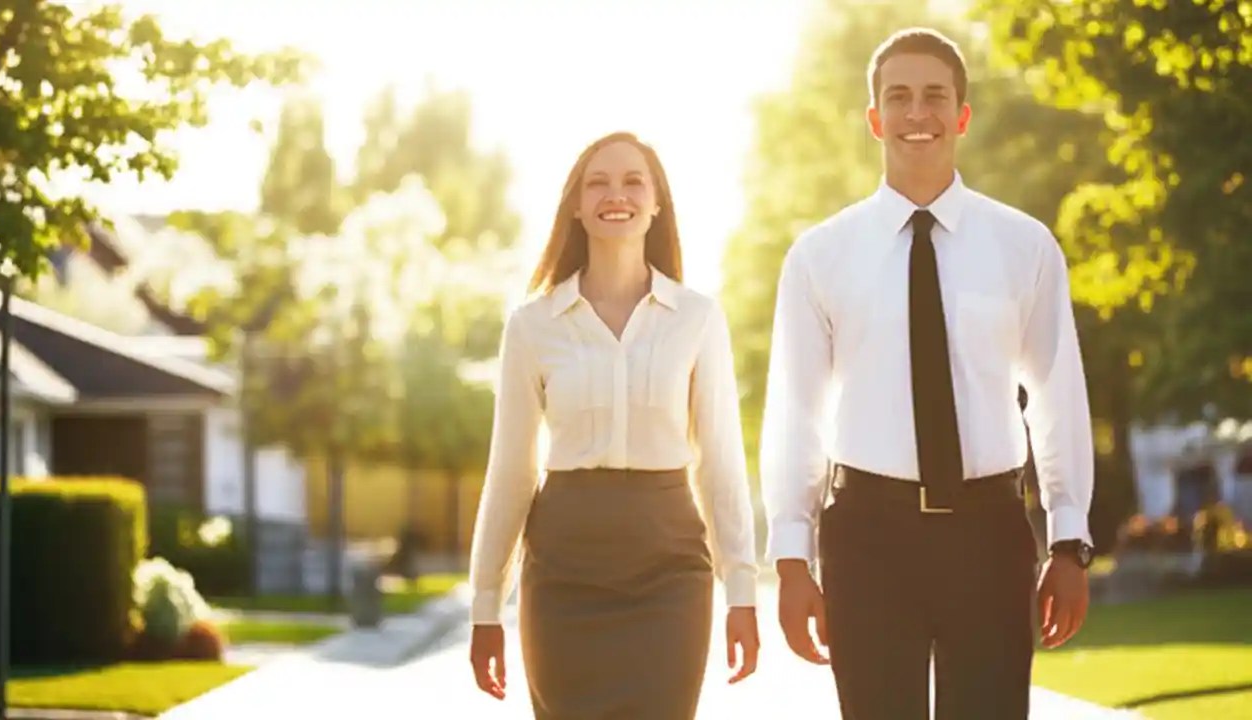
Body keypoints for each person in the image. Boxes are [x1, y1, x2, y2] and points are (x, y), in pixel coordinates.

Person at [760, 28, 1096, 719]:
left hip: (990, 533)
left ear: (962, 115)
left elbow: (1058, 397)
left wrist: (1069, 536)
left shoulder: (1024, 246)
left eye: (935, 97)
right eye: (899, 97)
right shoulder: (819, 256)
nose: (919, 114)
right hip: (866, 538)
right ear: (874, 118)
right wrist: (791, 555)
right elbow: (795, 411)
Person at [466, 131, 760, 719]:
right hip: (563, 569)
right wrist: (484, 604)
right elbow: (511, 470)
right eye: (597, 182)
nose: (615, 195)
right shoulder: (533, 325)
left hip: (669, 569)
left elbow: (721, 461)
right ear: (575, 204)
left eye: (633, 181)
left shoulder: (698, 319)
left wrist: (742, 591)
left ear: (657, 204)